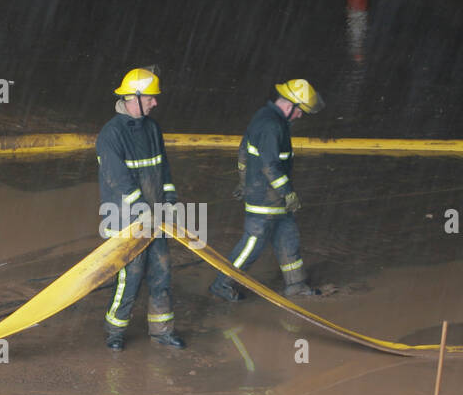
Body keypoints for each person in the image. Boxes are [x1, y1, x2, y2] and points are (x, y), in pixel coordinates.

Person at [96, 66, 185, 350]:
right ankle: (114, 331)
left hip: (155, 219)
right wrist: (140, 208)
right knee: (130, 276)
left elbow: (163, 169)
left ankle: (162, 331)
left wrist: (169, 201)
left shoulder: (153, 129)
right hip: (125, 220)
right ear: (133, 97)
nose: (155, 102)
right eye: (150, 98)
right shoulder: (110, 134)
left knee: (161, 272)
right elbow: (117, 177)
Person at [210, 79, 324, 302]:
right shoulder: (272, 126)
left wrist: (243, 181)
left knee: (287, 236)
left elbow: (243, 151)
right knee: (253, 243)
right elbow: (269, 165)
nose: (301, 116)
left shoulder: (266, 117)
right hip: (264, 197)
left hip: (270, 195)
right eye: (300, 111)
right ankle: (222, 284)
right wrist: (287, 193)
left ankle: (296, 284)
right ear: (290, 106)